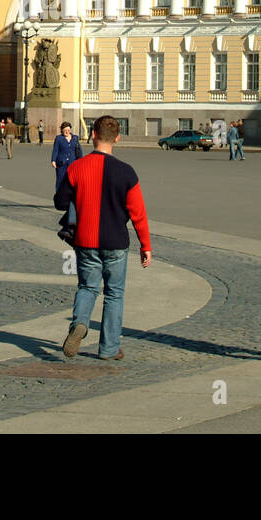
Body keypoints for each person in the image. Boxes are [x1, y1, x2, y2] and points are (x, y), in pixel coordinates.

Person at [57, 115, 151, 361]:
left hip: (86, 240)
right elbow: (138, 213)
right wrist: (145, 246)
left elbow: (59, 201)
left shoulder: (77, 167)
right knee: (114, 294)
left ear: (93, 135)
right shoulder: (126, 172)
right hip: (116, 241)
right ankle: (109, 348)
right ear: (117, 139)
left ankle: (79, 323)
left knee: (87, 287)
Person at [51, 121, 84, 244]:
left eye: (68, 130)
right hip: (61, 164)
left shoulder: (75, 138)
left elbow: (79, 151)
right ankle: (60, 200)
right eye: (65, 131)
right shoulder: (59, 139)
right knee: (60, 182)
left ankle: (70, 201)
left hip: (73, 164)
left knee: (72, 183)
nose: (67, 132)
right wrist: (53, 160)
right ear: (62, 130)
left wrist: (81, 162)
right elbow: (55, 150)